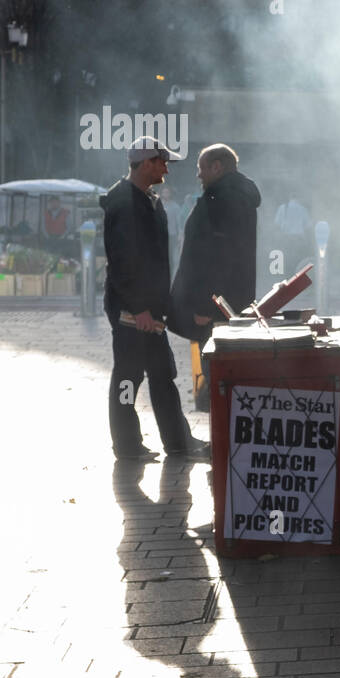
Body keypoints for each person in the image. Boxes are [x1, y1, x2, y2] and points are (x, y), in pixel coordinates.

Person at [101, 136, 209, 461]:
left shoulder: (150, 199)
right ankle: (127, 446)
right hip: (132, 311)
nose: (166, 168)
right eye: (162, 162)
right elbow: (121, 261)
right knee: (128, 377)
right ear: (146, 163)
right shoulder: (123, 202)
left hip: (152, 309)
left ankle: (178, 442)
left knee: (162, 374)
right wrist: (139, 308)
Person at [168, 143, 262, 410]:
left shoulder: (221, 200)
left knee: (217, 378)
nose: (199, 175)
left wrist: (206, 305)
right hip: (230, 302)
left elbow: (216, 258)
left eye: (202, 168)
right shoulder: (235, 196)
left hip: (215, 307)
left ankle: (220, 445)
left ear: (217, 167)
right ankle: (223, 441)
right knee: (224, 375)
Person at [274, 193, 312, 273]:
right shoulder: (303, 209)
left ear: (290, 197)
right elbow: (308, 227)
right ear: (299, 198)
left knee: (286, 262)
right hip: (299, 239)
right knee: (298, 262)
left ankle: (286, 280)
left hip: (286, 239)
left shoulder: (282, 208)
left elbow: (277, 225)